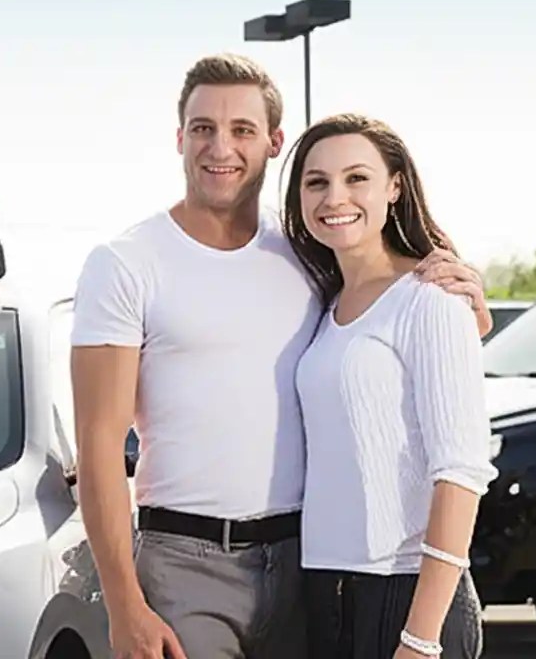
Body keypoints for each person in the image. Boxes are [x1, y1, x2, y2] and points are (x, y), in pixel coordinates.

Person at [68, 54, 492, 659]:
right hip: (187, 565)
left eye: (242, 129)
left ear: (272, 141)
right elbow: (99, 444)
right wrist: (123, 604)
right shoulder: (125, 263)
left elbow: (394, 331)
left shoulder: (306, 252)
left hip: (305, 570)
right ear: (179, 136)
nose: (221, 147)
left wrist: (463, 315)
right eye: (203, 127)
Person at [286, 113, 497, 658]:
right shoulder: (324, 305)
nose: (335, 197)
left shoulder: (432, 297)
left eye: (357, 178)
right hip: (326, 589)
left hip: (406, 592)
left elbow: (462, 473)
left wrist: (421, 637)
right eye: (317, 182)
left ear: (395, 187)